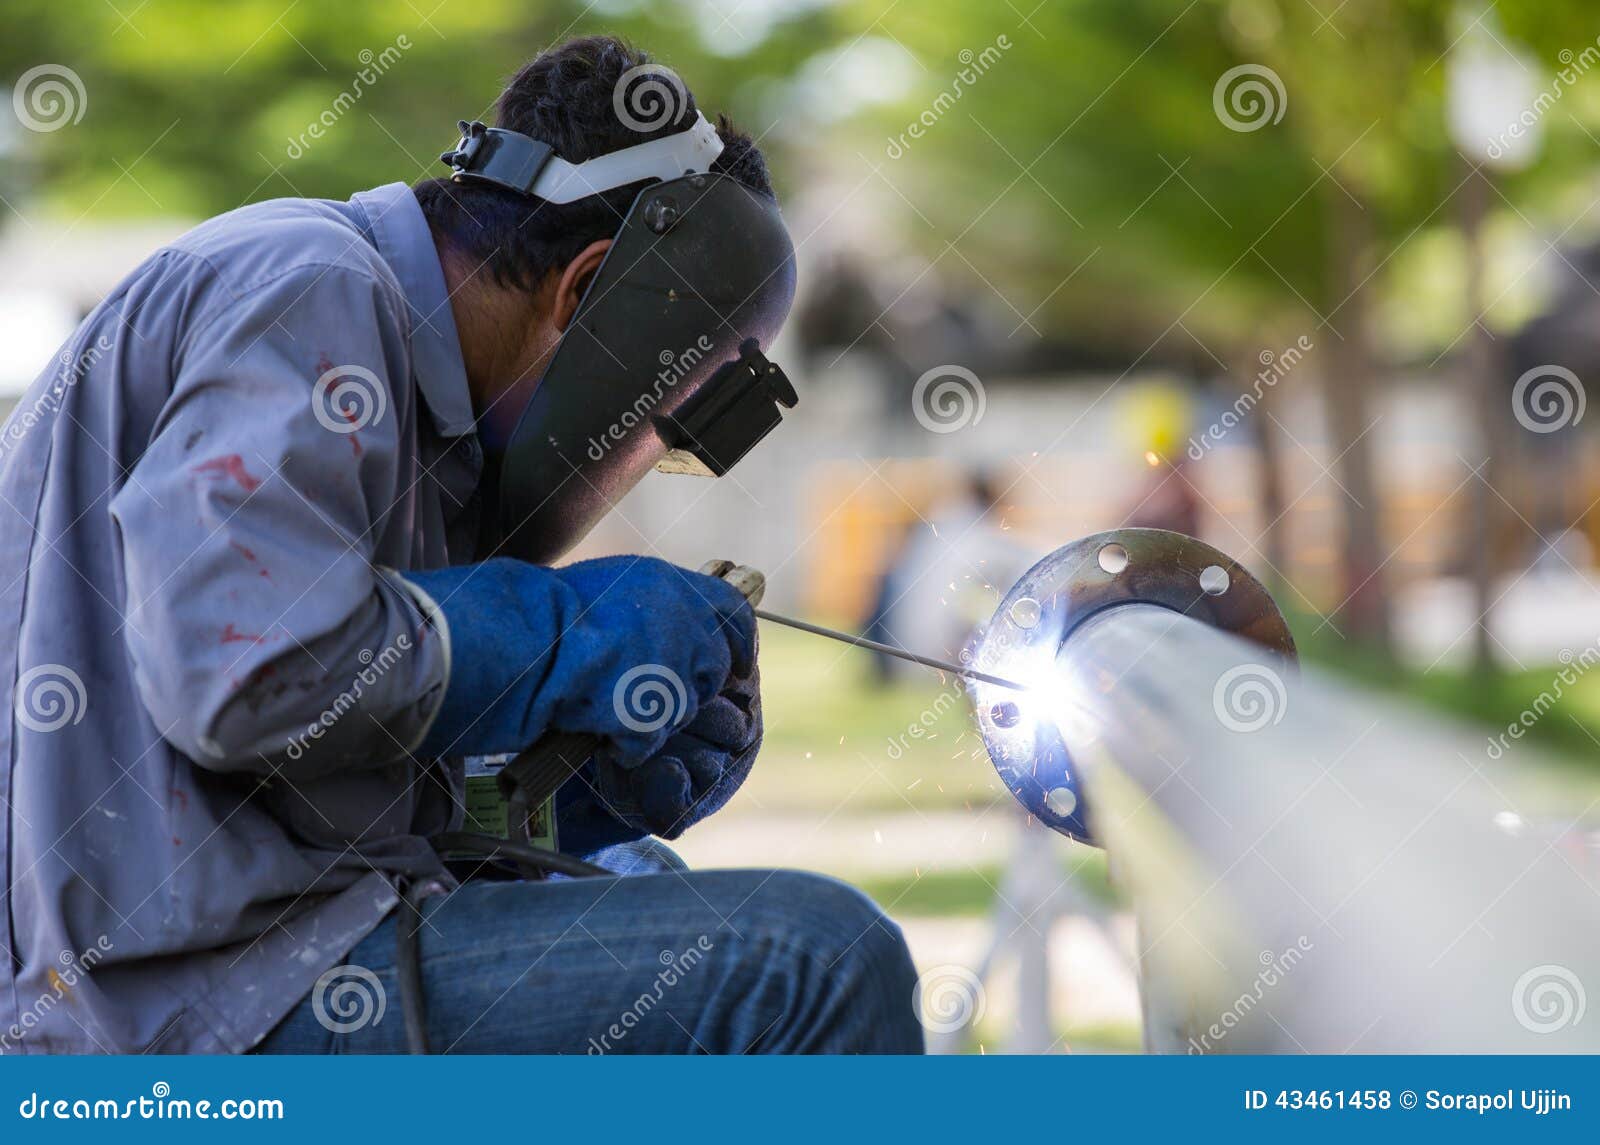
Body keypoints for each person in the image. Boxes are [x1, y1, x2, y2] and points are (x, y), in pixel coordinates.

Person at [0, 35, 921, 1055]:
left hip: (258, 957)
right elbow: (243, 670)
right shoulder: (307, 285)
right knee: (817, 961)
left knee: (641, 882)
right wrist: (559, 631)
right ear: (583, 292)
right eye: (663, 422)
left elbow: (341, 762)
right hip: (172, 1017)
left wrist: (560, 794)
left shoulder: (428, 426)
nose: (638, 458)